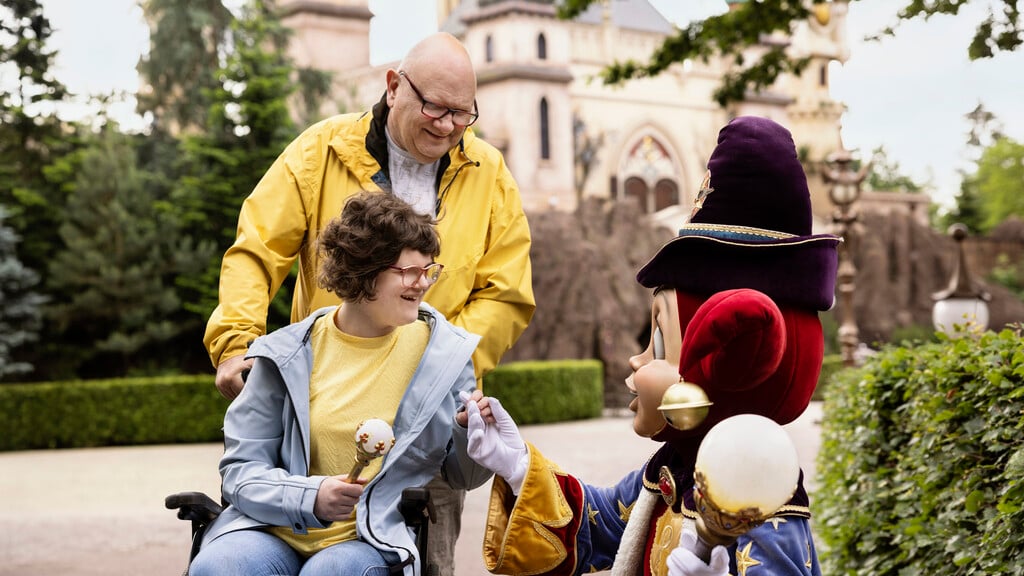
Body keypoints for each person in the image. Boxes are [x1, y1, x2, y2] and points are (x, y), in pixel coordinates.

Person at [202, 32, 535, 573]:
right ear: (392, 88)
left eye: (462, 113)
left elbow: (506, 292)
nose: (448, 126)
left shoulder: (489, 172)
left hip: (424, 428)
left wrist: (440, 366)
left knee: (420, 557)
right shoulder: (320, 151)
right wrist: (236, 343)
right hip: (318, 404)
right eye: (433, 106)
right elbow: (256, 250)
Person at [461, 116, 840, 575]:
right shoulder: (676, 471)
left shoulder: (756, 500)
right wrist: (518, 466)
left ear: (736, 358)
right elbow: (599, 526)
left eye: (657, 343)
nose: (636, 361)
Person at [188, 192, 493, 576]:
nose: (422, 284)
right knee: (221, 567)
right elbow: (240, 473)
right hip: (269, 529)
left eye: (429, 270)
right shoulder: (284, 354)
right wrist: (311, 497)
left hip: (369, 538)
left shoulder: (445, 354)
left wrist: (468, 433)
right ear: (364, 271)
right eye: (407, 272)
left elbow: (465, 476)